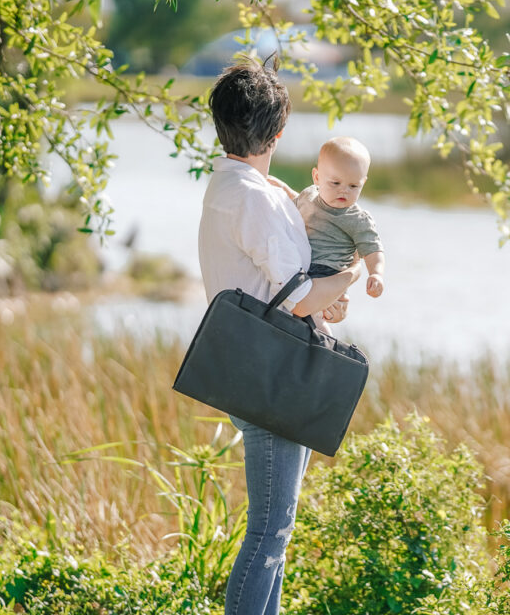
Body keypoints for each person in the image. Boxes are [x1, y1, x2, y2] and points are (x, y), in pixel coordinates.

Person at [198, 58, 362, 615]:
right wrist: (350, 275)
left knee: (277, 532)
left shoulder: (230, 185)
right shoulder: (257, 199)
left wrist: (323, 293)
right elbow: (297, 298)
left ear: (221, 123)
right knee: (270, 532)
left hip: (254, 367)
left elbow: (283, 283)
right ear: (278, 132)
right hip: (270, 374)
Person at [293, 136, 386, 299]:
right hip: (297, 262)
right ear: (317, 177)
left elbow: (374, 250)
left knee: (316, 313)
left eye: (353, 186)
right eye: (335, 183)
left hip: (329, 272)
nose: (344, 190)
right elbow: (286, 213)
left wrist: (376, 274)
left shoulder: (358, 219)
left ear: (363, 183)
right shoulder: (307, 196)